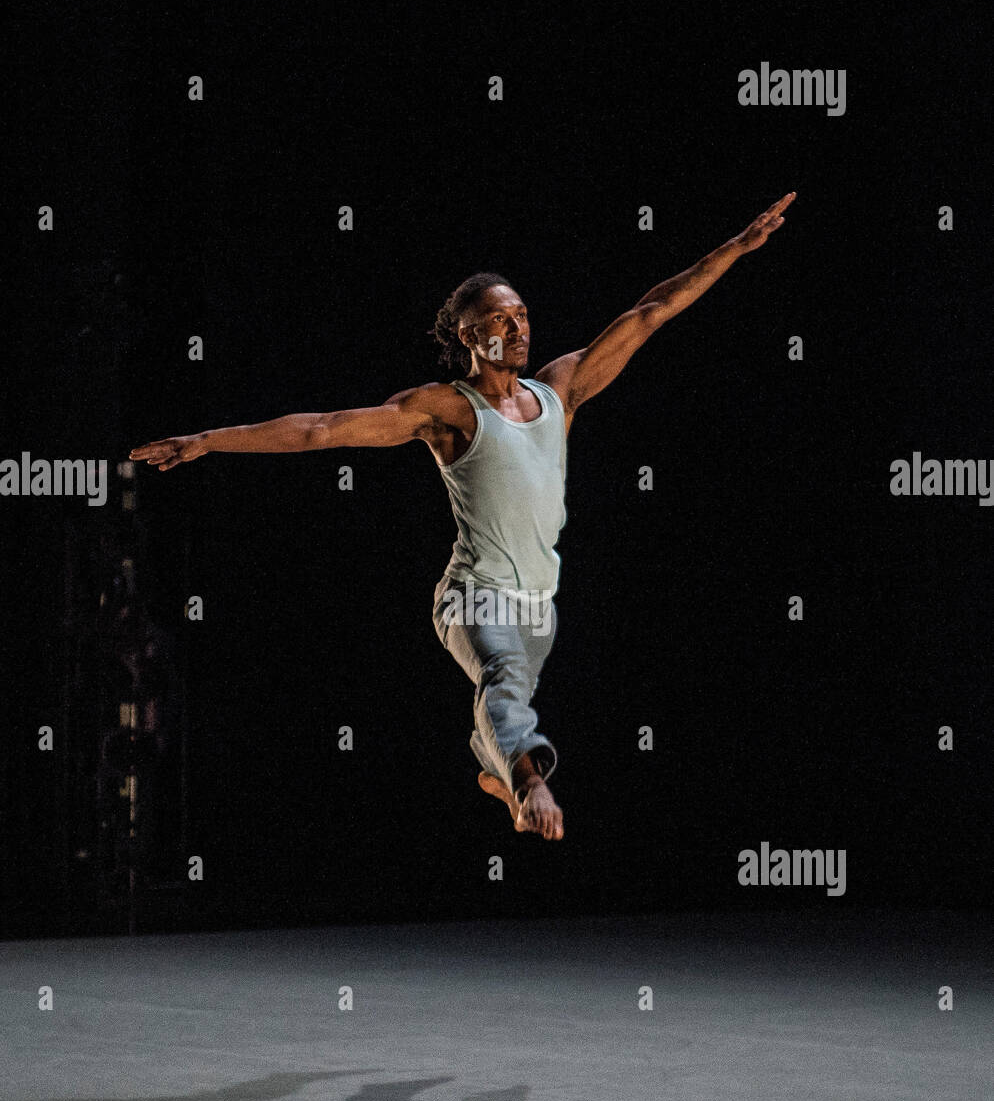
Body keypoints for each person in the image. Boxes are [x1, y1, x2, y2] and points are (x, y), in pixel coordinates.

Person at [130, 191, 796, 841]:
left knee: (506, 695)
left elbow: (652, 311)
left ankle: (498, 772)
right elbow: (321, 429)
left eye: (521, 315)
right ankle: (531, 785)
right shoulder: (448, 411)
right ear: (469, 338)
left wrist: (738, 246)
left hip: (540, 606)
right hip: (472, 598)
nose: (516, 328)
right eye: (498, 322)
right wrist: (206, 441)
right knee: (504, 679)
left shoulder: (560, 389)